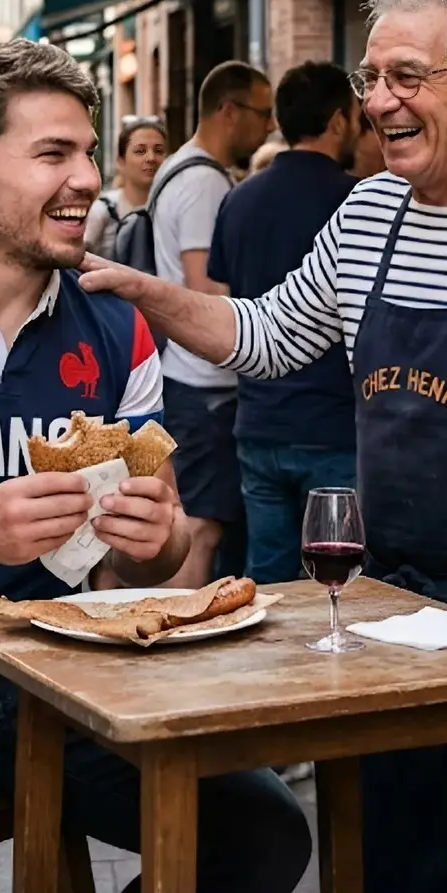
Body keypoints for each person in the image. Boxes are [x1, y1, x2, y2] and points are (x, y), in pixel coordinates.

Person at [81, 0, 447, 893]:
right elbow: (269, 335)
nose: (379, 101)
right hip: (393, 614)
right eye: (372, 78)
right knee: (400, 868)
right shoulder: (368, 215)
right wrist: (142, 290)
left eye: (408, 75)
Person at [0, 41, 310, 893]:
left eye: (86, 150)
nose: (87, 179)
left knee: (263, 831)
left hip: (70, 658)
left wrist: (160, 541)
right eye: (52, 155)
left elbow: (152, 560)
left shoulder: (117, 328)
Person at [206, 63, 361, 584]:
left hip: (258, 420)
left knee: (267, 582)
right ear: (339, 121)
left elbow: (224, 294)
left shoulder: (238, 198)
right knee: (343, 581)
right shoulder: (357, 203)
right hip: (334, 426)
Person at [150, 62, 274, 585]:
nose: (269, 127)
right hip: (206, 387)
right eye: (263, 113)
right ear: (229, 110)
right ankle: (180, 642)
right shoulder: (203, 182)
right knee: (201, 528)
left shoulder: (182, 168)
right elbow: (204, 287)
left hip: (190, 381)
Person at [83, 112, 168, 256]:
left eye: (159, 151)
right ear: (121, 160)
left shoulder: (173, 208)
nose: (151, 158)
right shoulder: (103, 211)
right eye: (140, 151)